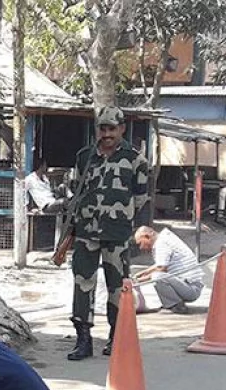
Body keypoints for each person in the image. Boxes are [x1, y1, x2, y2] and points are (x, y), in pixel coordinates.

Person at [68, 107, 149, 361]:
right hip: (86, 232)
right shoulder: (84, 157)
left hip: (117, 234)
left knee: (117, 287)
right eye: (102, 129)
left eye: (111, 128)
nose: (106, 134)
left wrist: (119, 217)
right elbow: (76, 191)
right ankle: (83, 339)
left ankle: (116, 336)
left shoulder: (136, 160)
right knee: (83, 283)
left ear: (122, 129)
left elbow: (140, 198)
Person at [134, 226, 204, 314]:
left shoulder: (161, 244)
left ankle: (175, 305)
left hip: (191, 288)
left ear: (147, 237)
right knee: (157, 276)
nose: (141, 247)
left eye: (140, 243)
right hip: (189, 286)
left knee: (157, 276)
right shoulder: (164, 239)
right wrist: (143, 273)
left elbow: (161, 269)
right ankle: (172, 303)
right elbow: (160, 265)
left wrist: (138, 281)